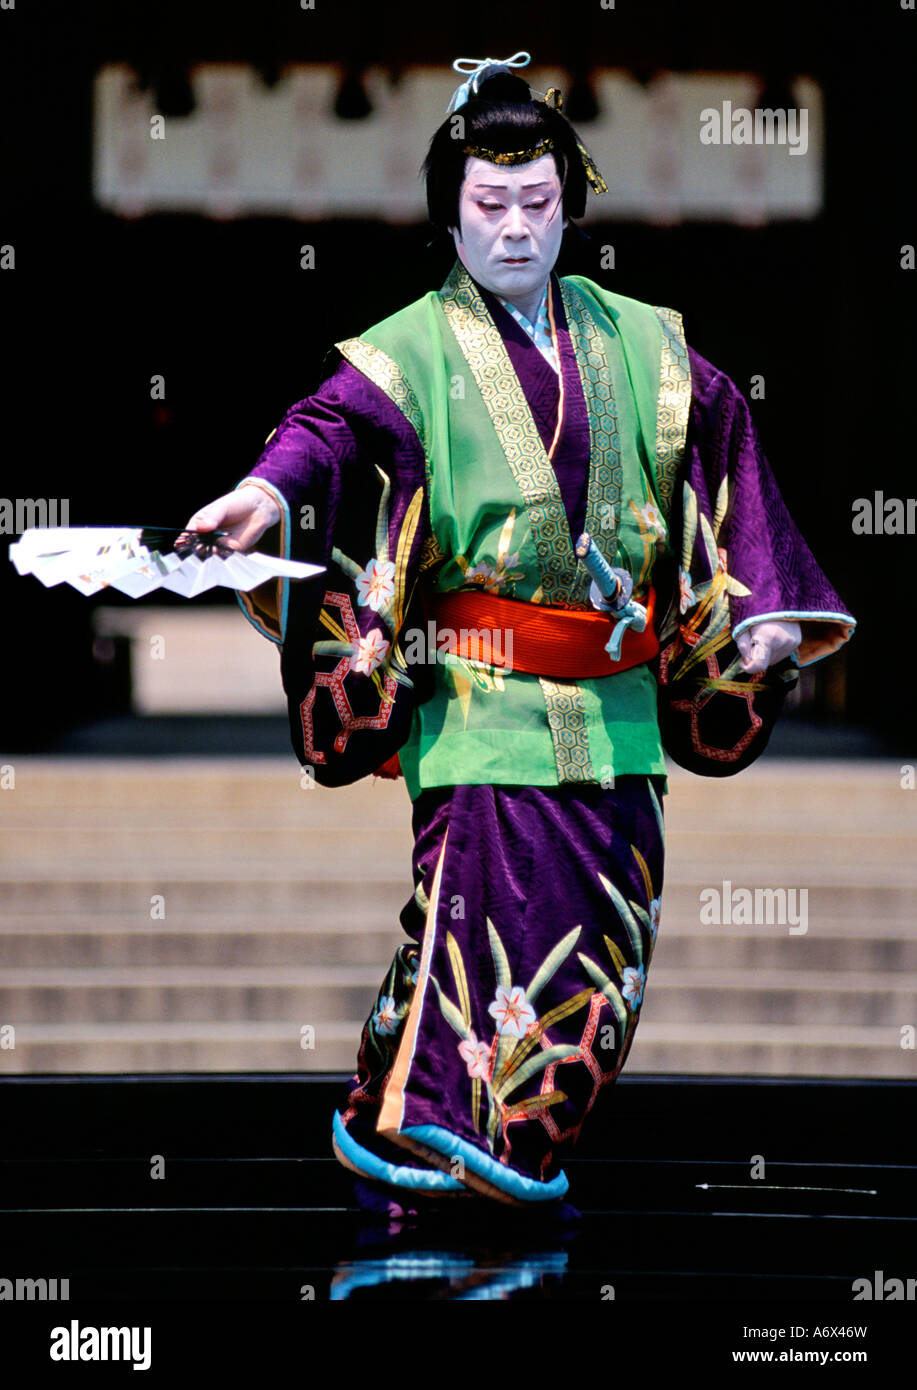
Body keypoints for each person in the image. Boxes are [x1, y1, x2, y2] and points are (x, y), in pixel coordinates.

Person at [185, 54, 855, 1207]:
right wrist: (260, 497)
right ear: (450, 210)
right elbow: (324, 435)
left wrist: (756, 612)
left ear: (570, 207)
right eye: (487, 208)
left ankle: (431, 1134)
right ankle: (430, 1151)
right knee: (469, 937)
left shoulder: (644, 345)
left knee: (597, 957)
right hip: (477, 705)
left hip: (618, 714)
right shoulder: (407, 354)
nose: (512, 231)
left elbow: (725, 443)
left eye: (537, 206)